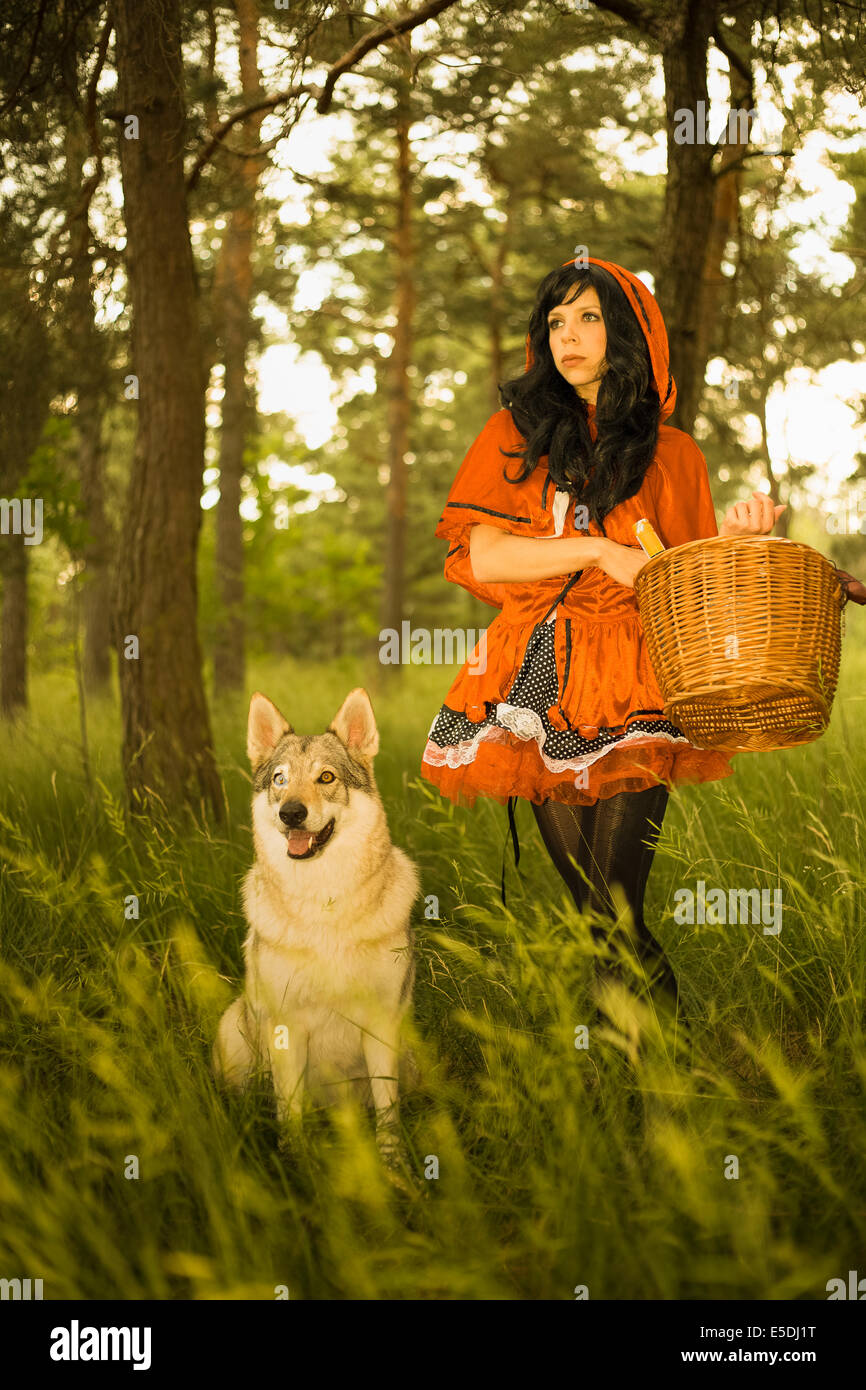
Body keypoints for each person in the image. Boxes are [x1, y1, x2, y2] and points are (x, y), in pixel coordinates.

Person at [419, 254, 789, 1011]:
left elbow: (687, 580)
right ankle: (633, 1078)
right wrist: (593, 548)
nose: (569, 336)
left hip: (631, 676)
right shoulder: (514, 435)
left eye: (589, 317)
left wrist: (744, 542)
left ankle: (653, 1073)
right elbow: (485, 552)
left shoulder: (675, 452)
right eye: (556, 322)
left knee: (615, 910)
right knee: (595, 919)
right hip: (538, 672)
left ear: (625, 334)